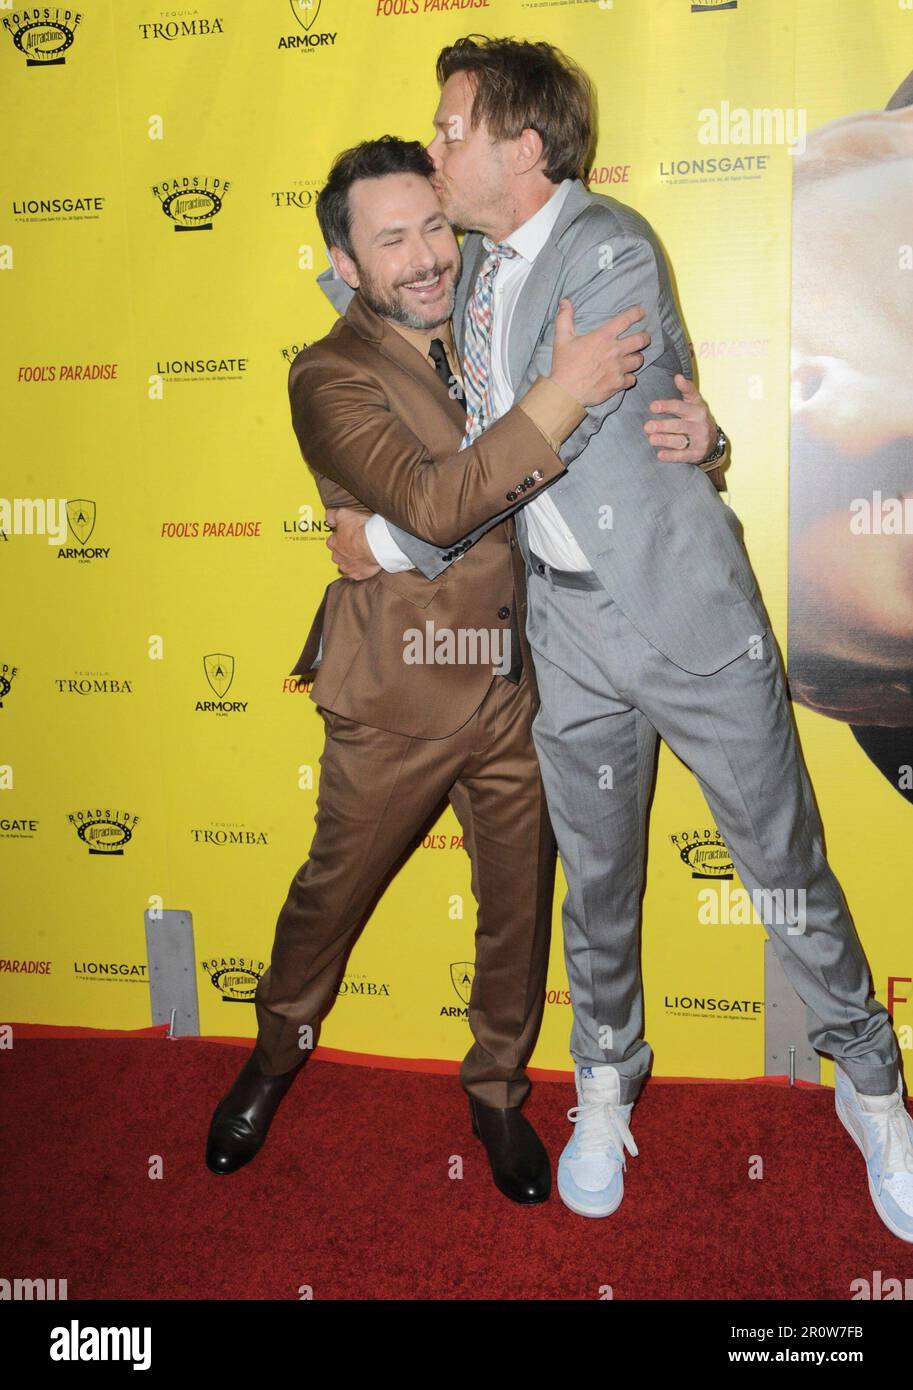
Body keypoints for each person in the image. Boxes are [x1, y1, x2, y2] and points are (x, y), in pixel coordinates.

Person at [327, 35, 912, 1241]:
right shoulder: (479, 264)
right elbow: (630, 403)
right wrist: (705, 437)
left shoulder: (609, 248)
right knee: (596, 888)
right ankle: (605, 1090)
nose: (435, 145)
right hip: (568, 633)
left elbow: (553, 439)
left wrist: (390, 546)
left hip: (687, 623)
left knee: (783, 874)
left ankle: (870, 1089)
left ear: (523, 148)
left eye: (452, 129)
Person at [204, 134, 718, 1203]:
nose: (426, 255)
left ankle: (495, 1091)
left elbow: (620, 429)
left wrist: (701, 440)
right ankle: (273, 1054)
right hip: (396, 694)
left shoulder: (501, 302)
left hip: (524, 681)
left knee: (516, 913)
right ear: (345, 265)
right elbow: (438, 501)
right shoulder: (327, 374)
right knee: (328, 898)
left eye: (433, 224)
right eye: (390, 241)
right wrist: (563, 392)